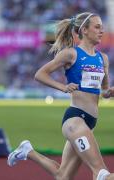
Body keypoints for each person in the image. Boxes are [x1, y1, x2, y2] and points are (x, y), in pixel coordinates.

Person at [7, 12, 114, 180]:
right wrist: (63, 87)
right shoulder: (71, 54)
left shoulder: (103, 59)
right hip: (75, 120)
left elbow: (104, 91)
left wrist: (110, 92)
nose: (102, 31)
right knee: (102, 173)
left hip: (90, 123)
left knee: (62, 176)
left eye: (102, 27)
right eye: (97, 27)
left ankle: (27, 151)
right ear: (84, 30)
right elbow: (40, 74)